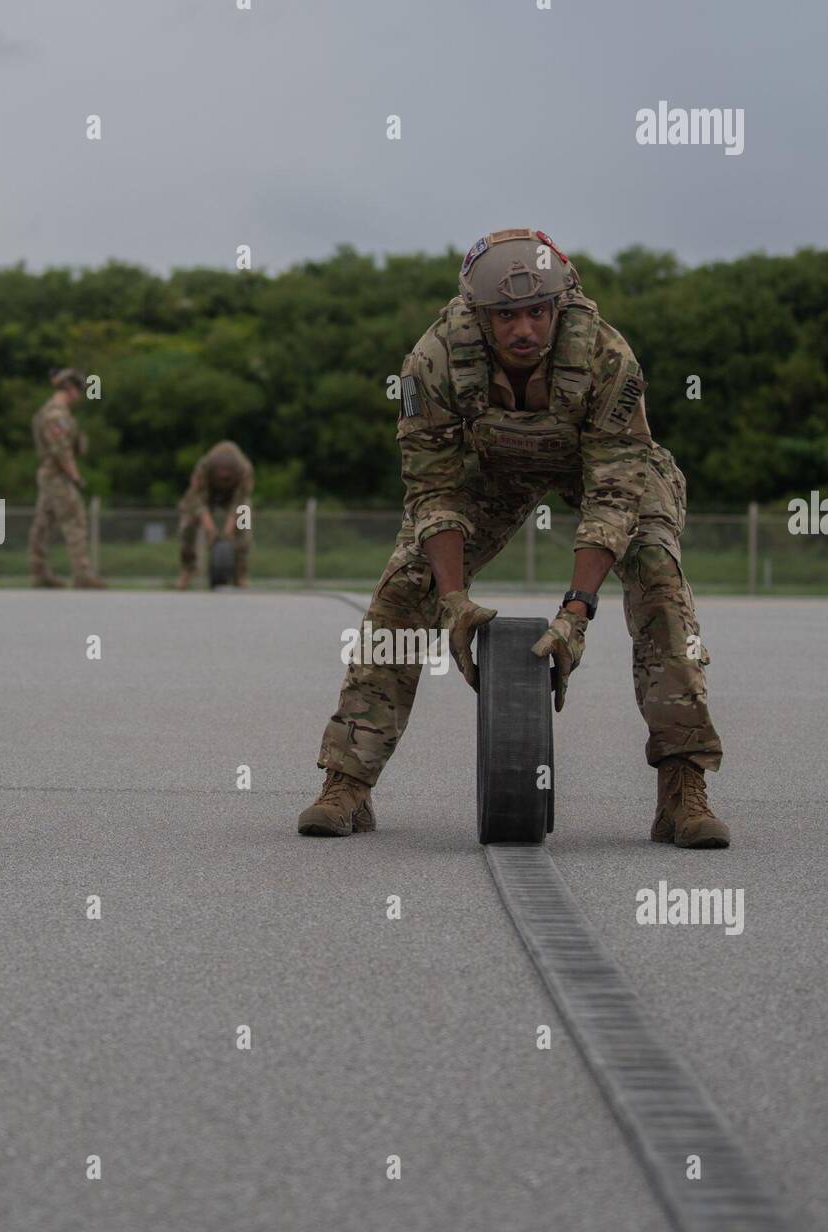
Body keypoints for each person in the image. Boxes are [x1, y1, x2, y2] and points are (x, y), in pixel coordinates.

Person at [298, 227, 729, 849]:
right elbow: (433, 489)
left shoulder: (607, 356)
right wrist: (451, 600)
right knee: (405, 587)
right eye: (506, 316)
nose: (524, 329)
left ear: (559, 305)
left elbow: (614, 492)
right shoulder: (435, 359)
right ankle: (347, 784)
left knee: (658, 571)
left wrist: (576, 612)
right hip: (489, 466)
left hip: (601, 465)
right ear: (479, 316)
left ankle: (683, 788)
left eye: (537, 311)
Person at [28, 367, 107, 588]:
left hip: (50, 474)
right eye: (79, 390)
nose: (80, 395)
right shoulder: (56, 414)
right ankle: (82, 574)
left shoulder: (52, 411)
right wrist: (75, 476)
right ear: (70, 388)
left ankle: (39, 572)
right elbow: (61, 450)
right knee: (75, 520)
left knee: (43, 523)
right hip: (57, 475)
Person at [175, 441, 254, 589]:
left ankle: (241, 573)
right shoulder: (203, 467)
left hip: (233, 499)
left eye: (228, 471)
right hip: (206, 496)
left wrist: (228, 531)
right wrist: (210, 528)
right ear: (213, 468)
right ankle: (188, 568)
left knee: (245, 517)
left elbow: (240, 501)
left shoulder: (245, 469)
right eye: (221, 471)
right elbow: (196, 498)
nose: (224, 475)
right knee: (187, 523)